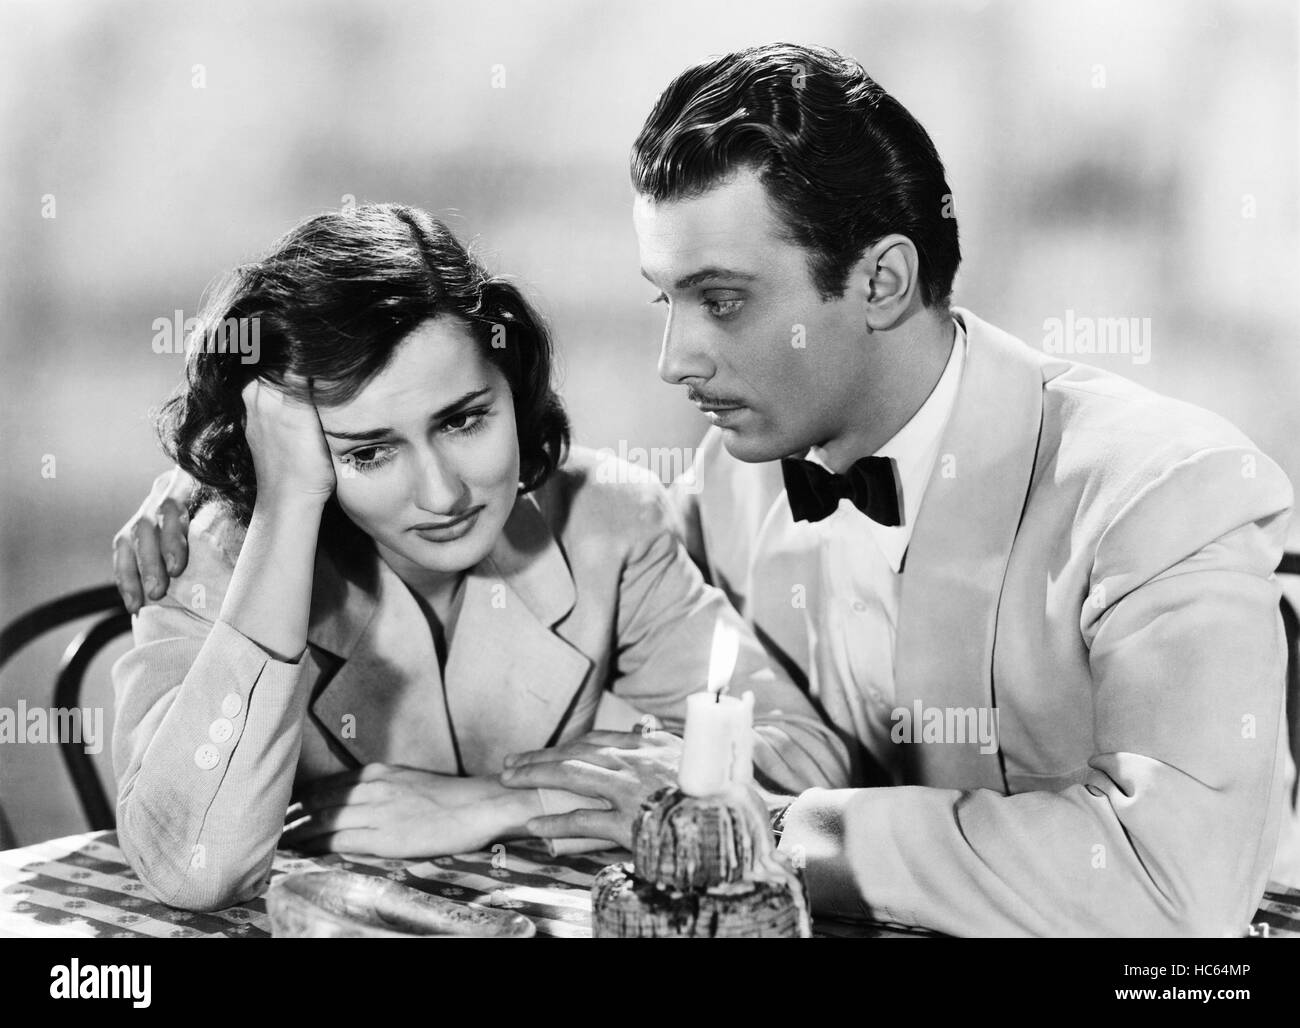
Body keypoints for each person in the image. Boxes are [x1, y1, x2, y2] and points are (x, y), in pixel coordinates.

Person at [119, 45, 1298, 936]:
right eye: (664, 300)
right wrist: (236, 479)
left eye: (722, 301)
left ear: (883, 280)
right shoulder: (729, 484)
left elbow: (1172, 890)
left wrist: (758, 829)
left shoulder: (1164, 487)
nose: (673, 361)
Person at [107, 202, 848, 912]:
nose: (443, 493)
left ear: (513, 389)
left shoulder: (608, 520)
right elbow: (191, 869)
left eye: (463, 420)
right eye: (368, 452)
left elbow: (802, 759)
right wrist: (286, 503)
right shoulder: (216, 559)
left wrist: (504, 803)